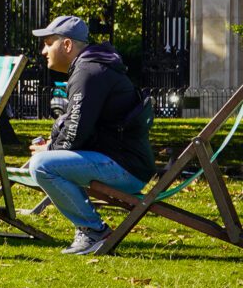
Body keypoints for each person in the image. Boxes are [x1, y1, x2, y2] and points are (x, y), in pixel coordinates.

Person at [24, 14, 156, 255]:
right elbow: (79, 125)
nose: (44, 51)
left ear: (67, 44)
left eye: (48, 43)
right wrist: (54, 143)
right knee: (44, 161)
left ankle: (94, 231)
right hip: (123, 162)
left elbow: (76, 133)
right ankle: (90, 231)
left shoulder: (88, 72)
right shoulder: (91, 67)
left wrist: (50, 150)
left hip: (125, 169)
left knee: (42, 165)